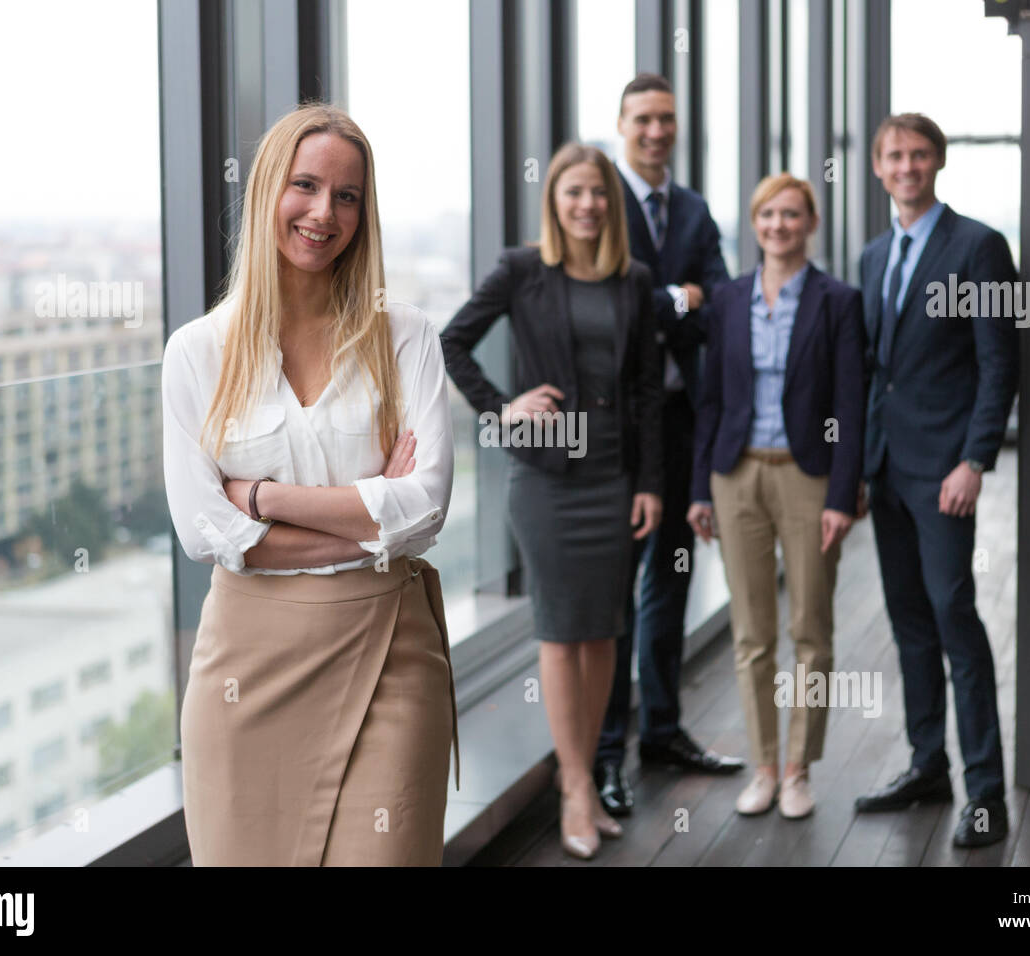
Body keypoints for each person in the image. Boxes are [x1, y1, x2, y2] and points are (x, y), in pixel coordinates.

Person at [162, 102, 458, 866]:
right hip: (246, 673)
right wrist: (363, 516)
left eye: (348, 195)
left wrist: (261, 500)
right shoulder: (196, 353)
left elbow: (424, 513)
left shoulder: (408, 335)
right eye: (306, 185)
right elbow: (204, 533)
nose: (324, 212)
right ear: (268, 191)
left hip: (390, 653)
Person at [440, 143, 664, 860]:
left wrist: (652, 482)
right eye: (574, 192)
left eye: (597, 192)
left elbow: (648, 394)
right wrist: (503, 410)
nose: (588, 204)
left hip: (612, 478)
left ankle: (590, 777)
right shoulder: (522, 270)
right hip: (545, 480)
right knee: (560, 634)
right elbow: (452, 344)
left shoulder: (634, 281)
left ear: (610, 201)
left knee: (601, 633)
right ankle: (574, 785)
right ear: (555, 200)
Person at [852, 113, 1019, 848]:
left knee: (957, 621)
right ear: (879, 168)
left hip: (946, 471)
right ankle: (927, 766)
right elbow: (874, 372)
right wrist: (859, 466)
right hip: (887, 470)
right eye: (895, 155)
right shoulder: (872, 254)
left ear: (938, 161)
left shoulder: (980, 246)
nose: (907, 165)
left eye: (919, 154)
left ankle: (986, 796)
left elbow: (1000, 363)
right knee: (910, 625)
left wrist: (974, 460)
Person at [688, 174, 865, 819]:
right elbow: (711, 401)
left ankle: (799, 770)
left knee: (810, 629)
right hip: (735, 477)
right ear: (756, 222)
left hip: (808, 476)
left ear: (809, 223)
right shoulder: (729, 301)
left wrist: (842, 495)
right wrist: (699, 488)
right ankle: (763, 766)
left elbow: (850, 405)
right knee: (752, 633)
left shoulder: (838, 301)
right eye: (768, 214)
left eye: (792, 214)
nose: (779, 225)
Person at [596, 72, 742, 818]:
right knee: (617, 594)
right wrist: (670, 300)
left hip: (682, 422)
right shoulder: (597, 196)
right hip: (617, 429)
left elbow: (721, 301)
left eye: (668, 120)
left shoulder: (691, 210)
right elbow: (600, 301)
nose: (657, 131)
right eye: (644, 118)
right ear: (621, 124)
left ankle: (662, 729)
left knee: (672, 579)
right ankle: (604, 755)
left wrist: (678, 303)